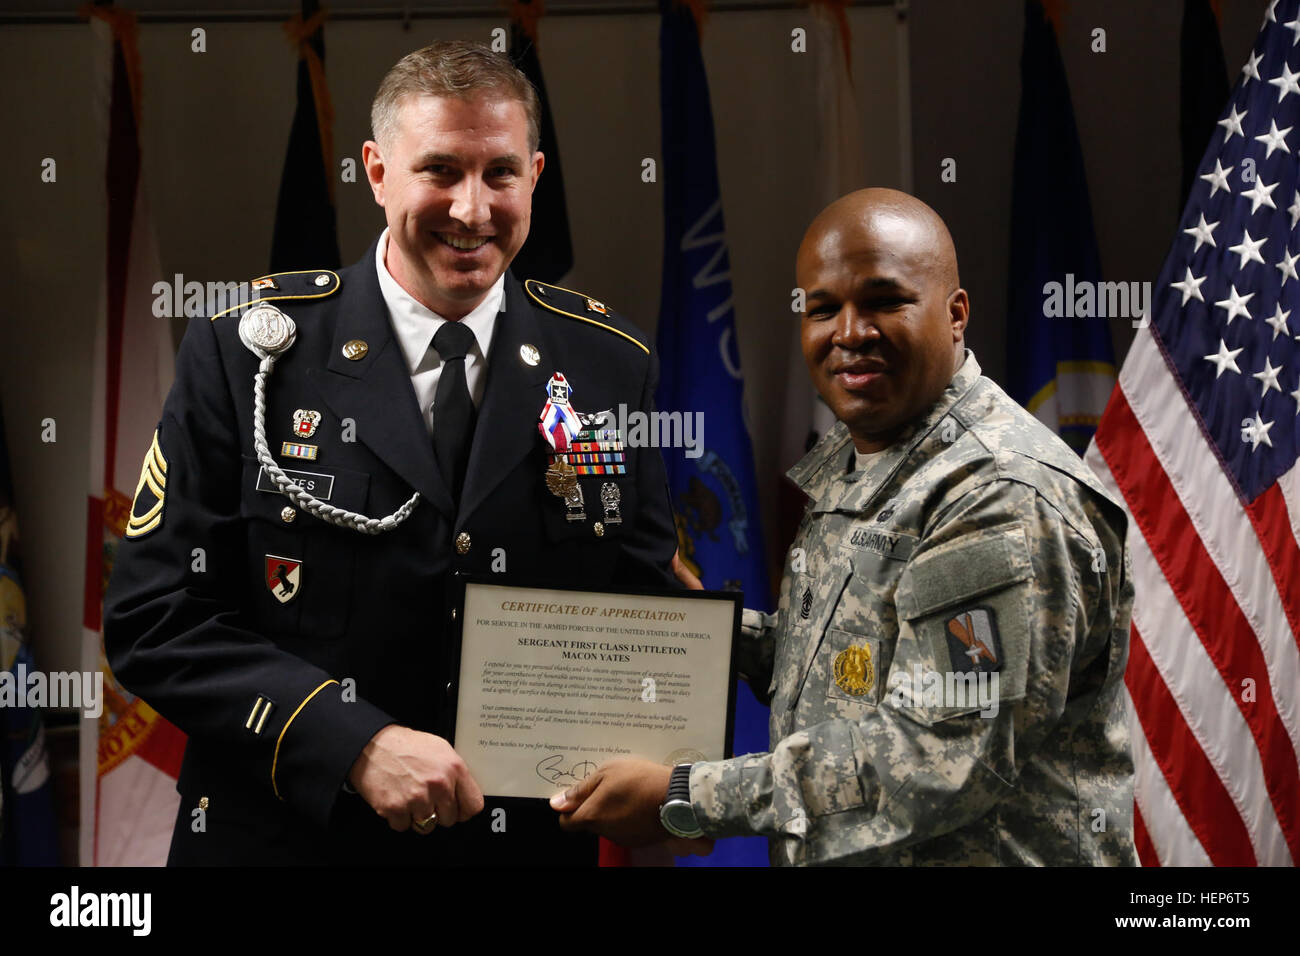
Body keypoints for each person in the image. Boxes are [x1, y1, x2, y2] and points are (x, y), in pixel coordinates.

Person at [104, 41, 679, 866]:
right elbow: (153, 619)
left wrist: (678, 780)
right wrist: (350, 742)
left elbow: (643, 607)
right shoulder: (247, 354)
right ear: (376, 172)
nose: (473, 210)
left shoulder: (605, 364)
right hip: (282, 843)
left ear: (537, 176)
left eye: (501, 174)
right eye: (439, 170)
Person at [552, 188, 1139, 866]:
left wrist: (687, 796)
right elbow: (854, 667)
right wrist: (703, 632)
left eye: (885, 300)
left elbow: (935, 756)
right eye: (823, 308)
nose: (850, 331)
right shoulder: (871, 455)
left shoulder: (998, 494)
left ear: (955, 315)